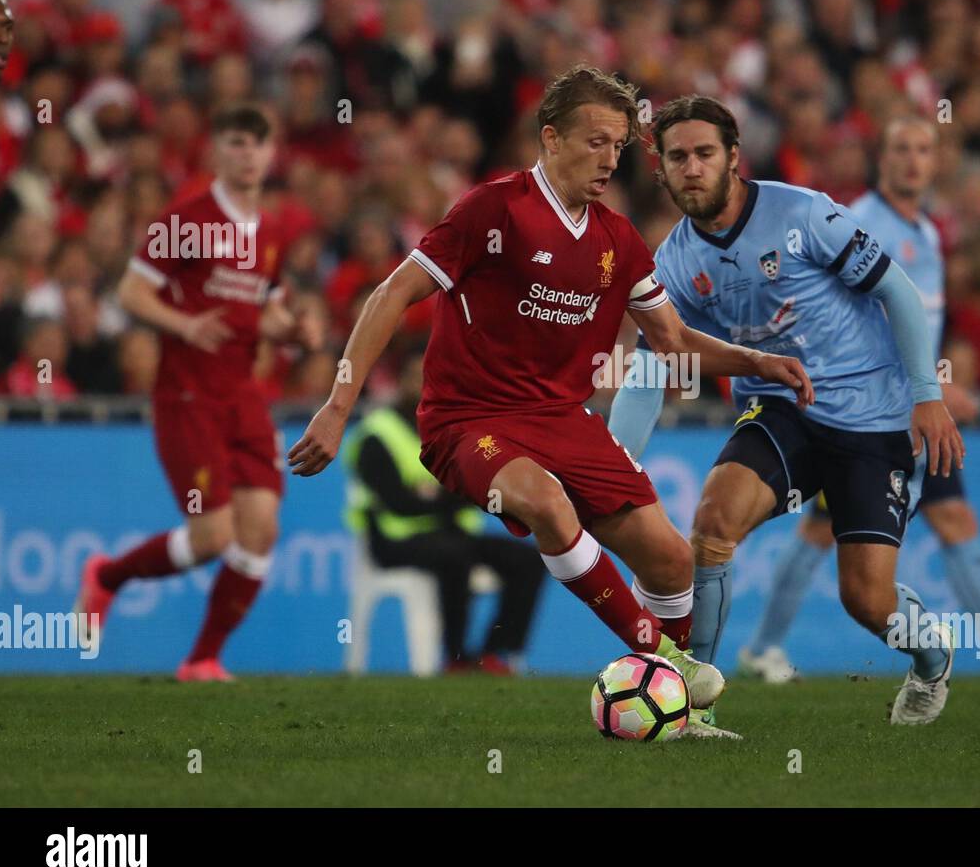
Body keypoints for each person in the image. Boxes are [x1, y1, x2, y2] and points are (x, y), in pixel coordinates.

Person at [287, 66, 814, 734]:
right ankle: (665, 656)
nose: (608, 158)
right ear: (550, 137)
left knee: (672, 557)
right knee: (542, 500)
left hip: (562, 420)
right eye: (595, 140)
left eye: (619, 145)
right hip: (467, 420)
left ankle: (673, 711)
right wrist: (338, 404)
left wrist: (756, 358)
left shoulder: (617, 241)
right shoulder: (492, 210)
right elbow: (392, 293)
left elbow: (673, 337)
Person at [608, 96, 963, 734]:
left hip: (872, 418)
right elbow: (650, 369)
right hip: (780, 408)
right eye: (678, 157)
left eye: (705, 154)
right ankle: (691, 707)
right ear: (660, 170)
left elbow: (896, 290)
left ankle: (933, 658)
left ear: (733, 159)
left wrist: (927, 394)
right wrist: (612, 463)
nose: (692, 167)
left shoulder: (802, 213)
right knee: (713, 524)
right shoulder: (673, 263)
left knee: (867, 599)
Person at [740, 115, 980, 683]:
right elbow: (845, 325)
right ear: (882, 157)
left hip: (913, 411)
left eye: (924, 149)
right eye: (902, 149)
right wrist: (934, 386)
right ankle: (762, 648)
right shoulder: (861, 223)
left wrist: (932, 384)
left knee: (954, 517)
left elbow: (923, 322)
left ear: (937, 159)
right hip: (858, 413)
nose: (913, 161)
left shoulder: (926, 232)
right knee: (824, 530)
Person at [74, 105, 323, 681]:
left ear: (271, 154)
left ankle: (203, 658)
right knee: (213, 536)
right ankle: (107, 577)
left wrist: (292, 330)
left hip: (242, 394)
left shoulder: (274, 229)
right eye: (236, 143)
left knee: (261, 528)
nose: (248, 155)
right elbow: (132, 292)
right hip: (187, 396)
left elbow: (259, 311)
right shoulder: (186, 218)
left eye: (258, 145)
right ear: (217, 150)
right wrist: (185, 325)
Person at [344, 357, 544, 672]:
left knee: (528, 560)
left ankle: (494, 654)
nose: (424, 386)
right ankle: (456, 658)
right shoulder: (377, 434)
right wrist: (450, 496)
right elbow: (398, 503)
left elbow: (477, 489)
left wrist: (436, 495)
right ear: (400, 381)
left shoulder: (452, 431)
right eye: (415, 377)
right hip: (394, 540)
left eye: (431, 377)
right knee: (455, 557)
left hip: (450, 533)